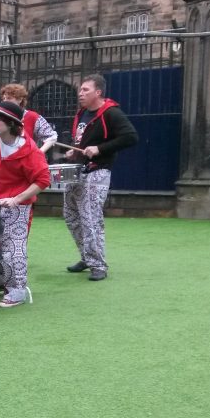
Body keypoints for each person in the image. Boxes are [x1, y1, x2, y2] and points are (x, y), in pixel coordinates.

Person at [0, 101, 51, 307]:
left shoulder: (30, 150)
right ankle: (1, 283)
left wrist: (17, 199)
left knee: (14, 248)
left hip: (18, 206)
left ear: (11, 123)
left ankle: (18, 290)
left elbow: (43, 181)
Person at [63, 74, 138, 281]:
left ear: (98, 92)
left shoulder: (112, 113)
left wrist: (100, 148)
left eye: (85, 90)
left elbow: (131, 137)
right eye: (80, 90)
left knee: (90, 218)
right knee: (70, 215)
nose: (80, 93)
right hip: (78, 170)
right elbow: (82, 141)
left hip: (98, 171)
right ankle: (87, 257)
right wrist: (75, 152)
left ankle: (99, 265)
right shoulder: (82, 113)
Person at [0, 84, 58, 155]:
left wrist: (39, 153)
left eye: (9, 98)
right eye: (4, 98)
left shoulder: (33, 117)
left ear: (20, 100)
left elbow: (52, 136)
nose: (5, 101)